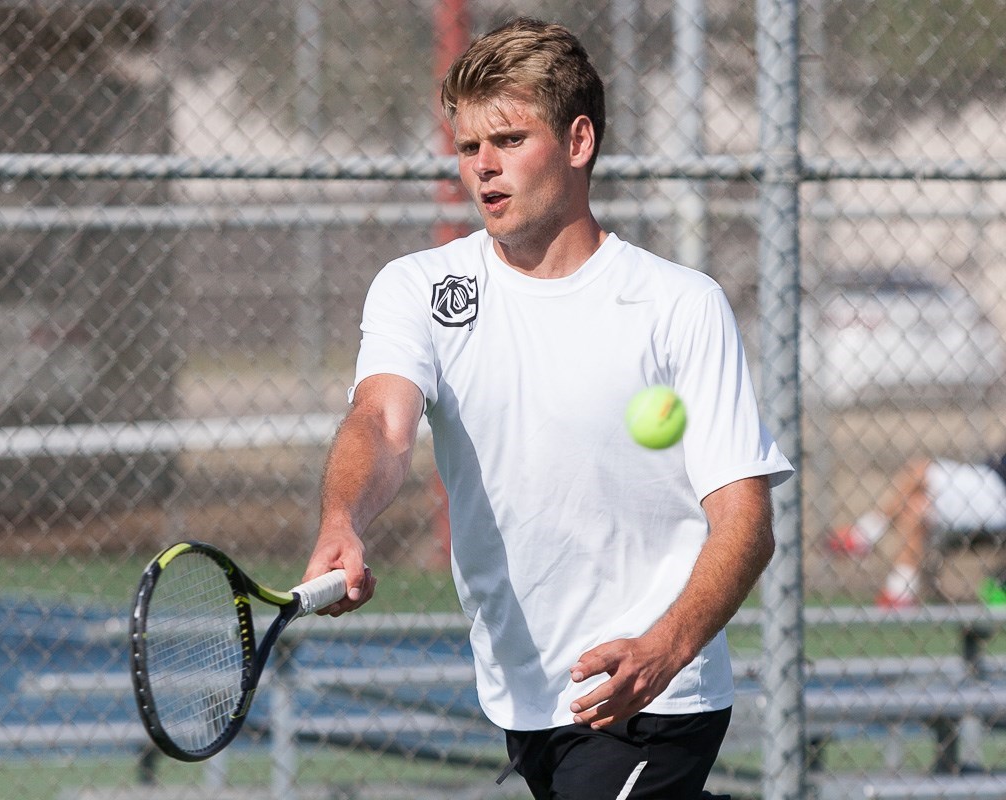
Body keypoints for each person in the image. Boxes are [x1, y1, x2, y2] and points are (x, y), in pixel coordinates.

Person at [302, 17, 794, 800]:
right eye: (468, 148)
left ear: (577, 141)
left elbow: (746, 521)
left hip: (654, 695)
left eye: (508, 139)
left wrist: (664, 649)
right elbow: (381, 424)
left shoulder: (678, 305)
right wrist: (342, 521)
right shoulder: (417, 288)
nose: (484, 168)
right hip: (525, 695)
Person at [827, 453, 1006, 609]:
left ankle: (863, 534)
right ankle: (899, 594)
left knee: (921, 469)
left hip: (996, 492)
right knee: (915, 510)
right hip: (985, 479)